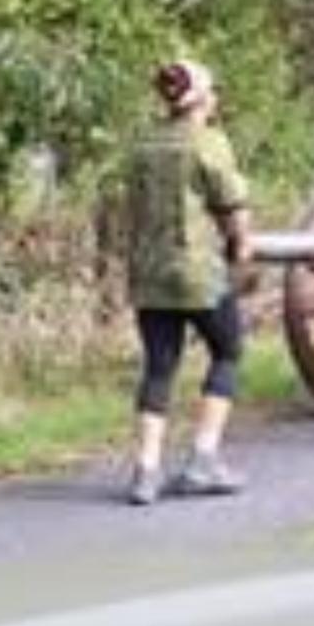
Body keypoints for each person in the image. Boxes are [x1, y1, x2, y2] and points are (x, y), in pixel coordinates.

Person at [123, 60, 254, 506]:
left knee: (159, 366)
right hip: (197, 272)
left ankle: (145, 471)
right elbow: (232, 206)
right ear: (199, 99)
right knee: (229, 350)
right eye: (212, 91)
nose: (215, 97)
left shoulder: (143, 144)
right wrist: (243, 245)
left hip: (149, 272)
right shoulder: (208, 143)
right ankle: (203, 458)